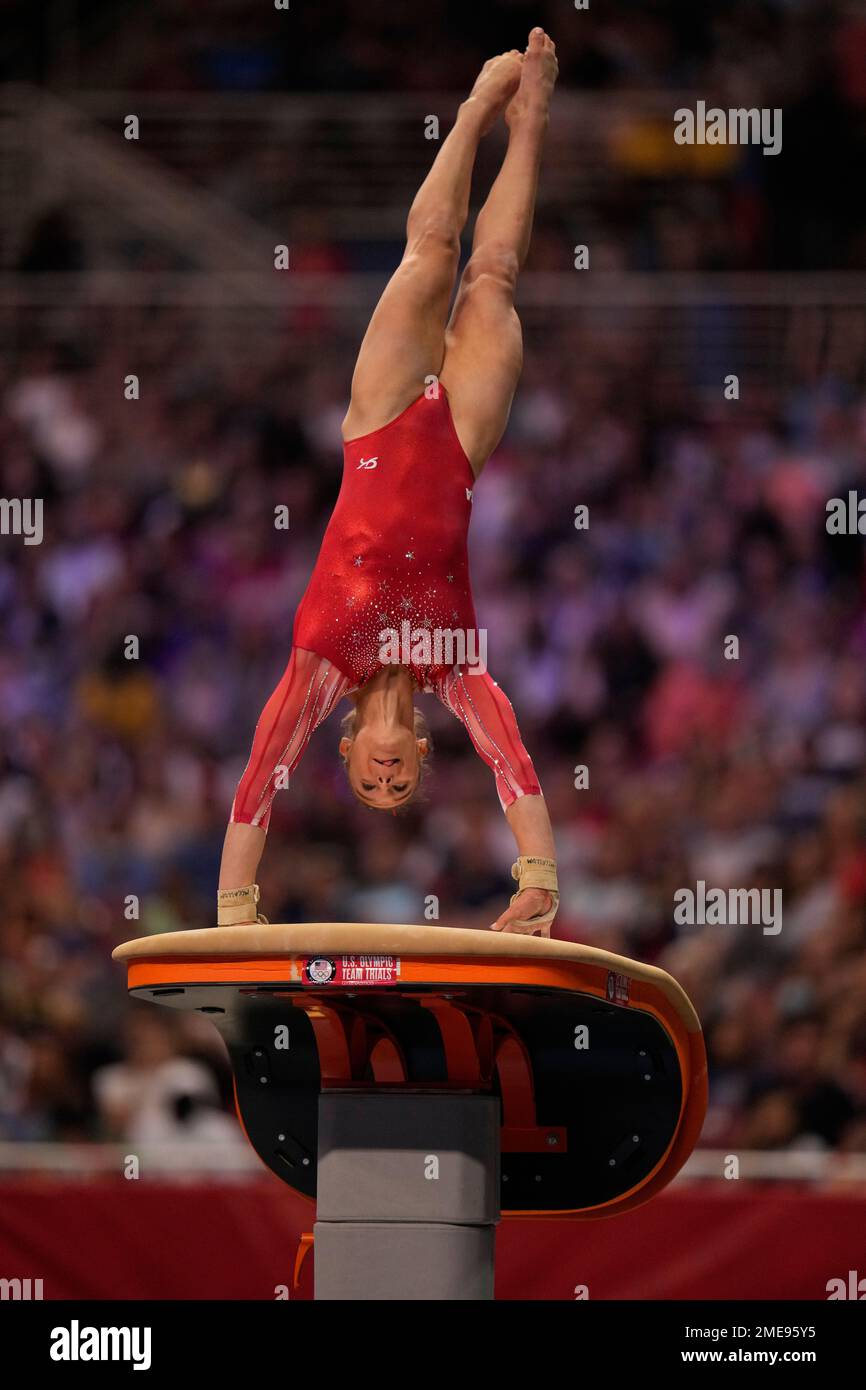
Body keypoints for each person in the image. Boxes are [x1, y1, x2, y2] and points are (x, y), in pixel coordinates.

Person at [218, 30, 560, 935]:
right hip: (458, 447)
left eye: (370, 779)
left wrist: (235, 910)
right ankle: (528, 121)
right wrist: (540, 881)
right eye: (396, 782)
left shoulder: (322, 663)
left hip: (377, 422)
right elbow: (512, 763)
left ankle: (475, 109)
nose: (386, 777)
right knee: (492, 280)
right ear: (417, 752)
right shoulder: (449, 668)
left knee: (431, 252)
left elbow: (257, 782)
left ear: (352, 745)